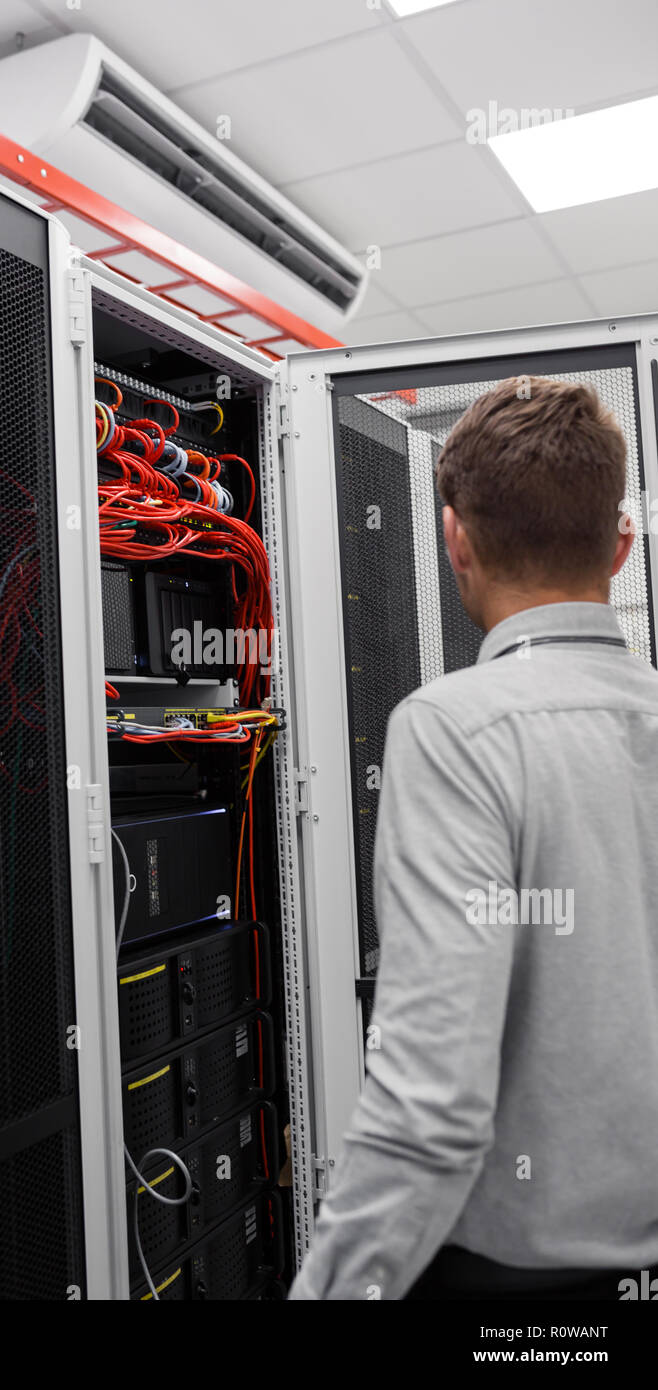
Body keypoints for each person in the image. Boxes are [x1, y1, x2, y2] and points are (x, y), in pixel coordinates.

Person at [289, 375, 658, 1301]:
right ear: (620, 545)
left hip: (526, 1288)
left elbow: (432, 1110)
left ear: (453, 535)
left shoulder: (453, 730)